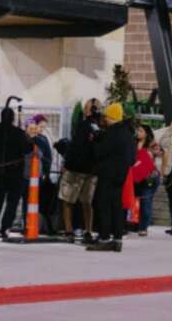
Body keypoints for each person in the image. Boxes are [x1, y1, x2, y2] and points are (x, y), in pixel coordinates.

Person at [87, 102, 135, 252]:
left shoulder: (112, 133)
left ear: (110, 117)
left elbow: (99, 152)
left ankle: (104, 237)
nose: (104, 119)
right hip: (121, 175)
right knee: (117, 206)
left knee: (103, 205)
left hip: (107, 173)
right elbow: (132, 158)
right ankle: (117, 238)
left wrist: (95, 140)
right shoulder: (128, 133)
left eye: (106, 116)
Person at [0, 106, 32, 240]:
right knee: (12, 201)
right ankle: (5, 228)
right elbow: (27, 148)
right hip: (15, 173)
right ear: (13, 118)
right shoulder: (18, 133)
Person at [59, 98, 100, 242]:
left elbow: (75, 147)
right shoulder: (100, 126)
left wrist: (66, 164)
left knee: (68, 201)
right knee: (87, 202)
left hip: (75, 170)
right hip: (92, 171)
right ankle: (88, 230)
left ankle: (69, 231)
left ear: (86, 110)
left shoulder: (82, 125)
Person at [128, 125, 158, 235]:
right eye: (137, 130)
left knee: (146, 203)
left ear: (146, 133)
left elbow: (158, 155)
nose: (138, 132)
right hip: (135, 177)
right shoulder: (132, 144)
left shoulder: (152, 145)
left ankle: (143, 227)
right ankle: (133, 225)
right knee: (133, 202)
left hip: (148, 178)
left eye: (141, 131)